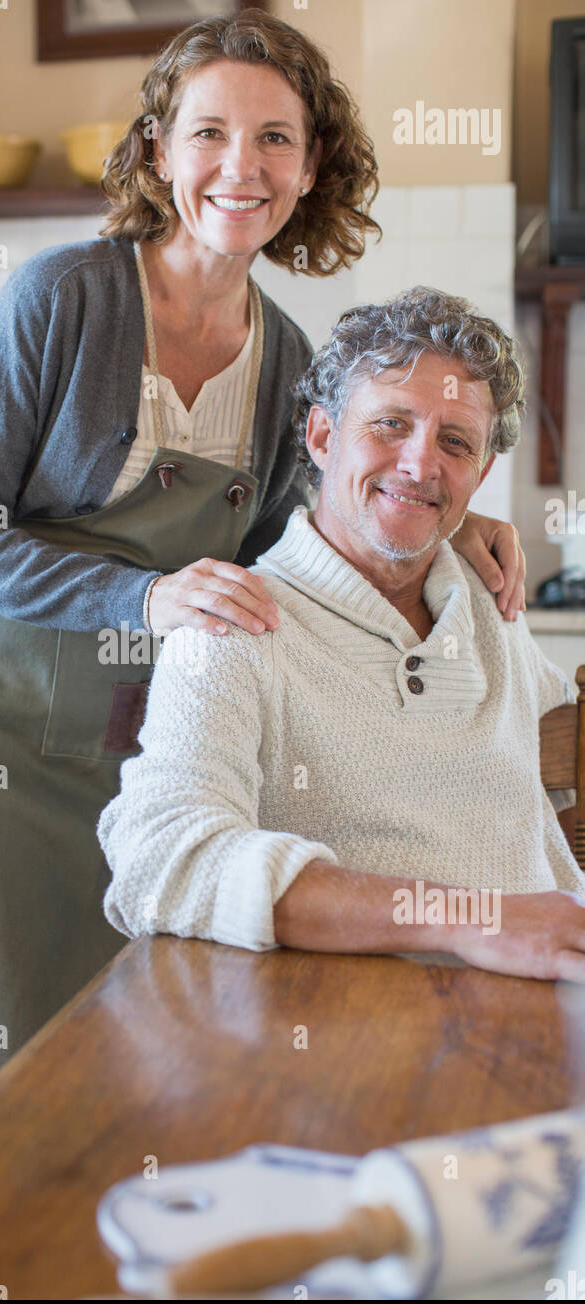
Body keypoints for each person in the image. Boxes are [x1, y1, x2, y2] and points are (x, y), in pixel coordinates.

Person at [0, 10, 528, 1121]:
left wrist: (442, 526)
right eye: (208, 134)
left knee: (137, 1023)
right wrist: (140, 593)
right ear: (157, 152)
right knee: (9, 1040)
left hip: (136, 722)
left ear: (311, 163)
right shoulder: (63, 299)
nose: (241, 168)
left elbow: (293, 521)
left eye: (275, 138)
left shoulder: (286, 353)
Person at [97, 286, 585, 984]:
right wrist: (474, 919)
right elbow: (160, 856)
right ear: (322, 437)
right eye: (390, 425)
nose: (421, 465)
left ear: (479, 473)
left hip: (549, 1010)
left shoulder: (488, 597)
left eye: (455, 442)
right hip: (349, 1034)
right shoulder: (233, 626)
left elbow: (563, 724)